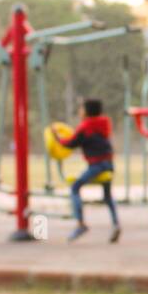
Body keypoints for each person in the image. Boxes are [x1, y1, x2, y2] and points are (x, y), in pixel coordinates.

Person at [57, 98, 120, 243]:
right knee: (107, 196)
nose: (80, 111)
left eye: (81, 108)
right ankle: (116, 224)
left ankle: (80, 224)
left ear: (86, 111)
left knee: (75, 187)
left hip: (96, 165)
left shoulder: (86, 126)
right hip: (109, 164)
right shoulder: (104, 123)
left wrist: (57, 138)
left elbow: (71, 143)